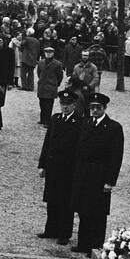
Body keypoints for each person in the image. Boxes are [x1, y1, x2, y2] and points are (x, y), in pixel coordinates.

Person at [70, 92, 125, 255]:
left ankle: (95, 245)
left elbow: (116, 156)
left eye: (98, 108)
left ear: (105, 108)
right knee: (83, 209)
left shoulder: (113, 127)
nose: (94, 111)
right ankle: (83, 243)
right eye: (92, 108)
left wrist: (110, 181)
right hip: (83, 172)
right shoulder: (85, 123)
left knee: (98, 212)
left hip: (100, 174)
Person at [37, 90, 82, 245]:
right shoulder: (55, 119)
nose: (65, 107)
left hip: (68, 169)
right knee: (52, 199)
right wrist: (42, 165)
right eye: (63, 104)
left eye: (68, 104)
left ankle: (64, 233)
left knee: (65, 202)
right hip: (53, 166)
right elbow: (47, 143)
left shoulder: (80, 122)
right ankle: (51, 229)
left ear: (74, 105)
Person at [35, 44, 64, 126]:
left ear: (53, 53)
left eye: (50, 52)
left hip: (51, 86)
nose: (48, 54)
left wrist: (56, 83)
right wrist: (41, 80)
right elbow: (39, 73)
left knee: (49, 105)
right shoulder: (41, 62)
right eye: (46, 52)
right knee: (42, 103)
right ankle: (42, 118)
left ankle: (47, 121)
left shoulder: (57, 64)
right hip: (42, 86)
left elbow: (60, 76)